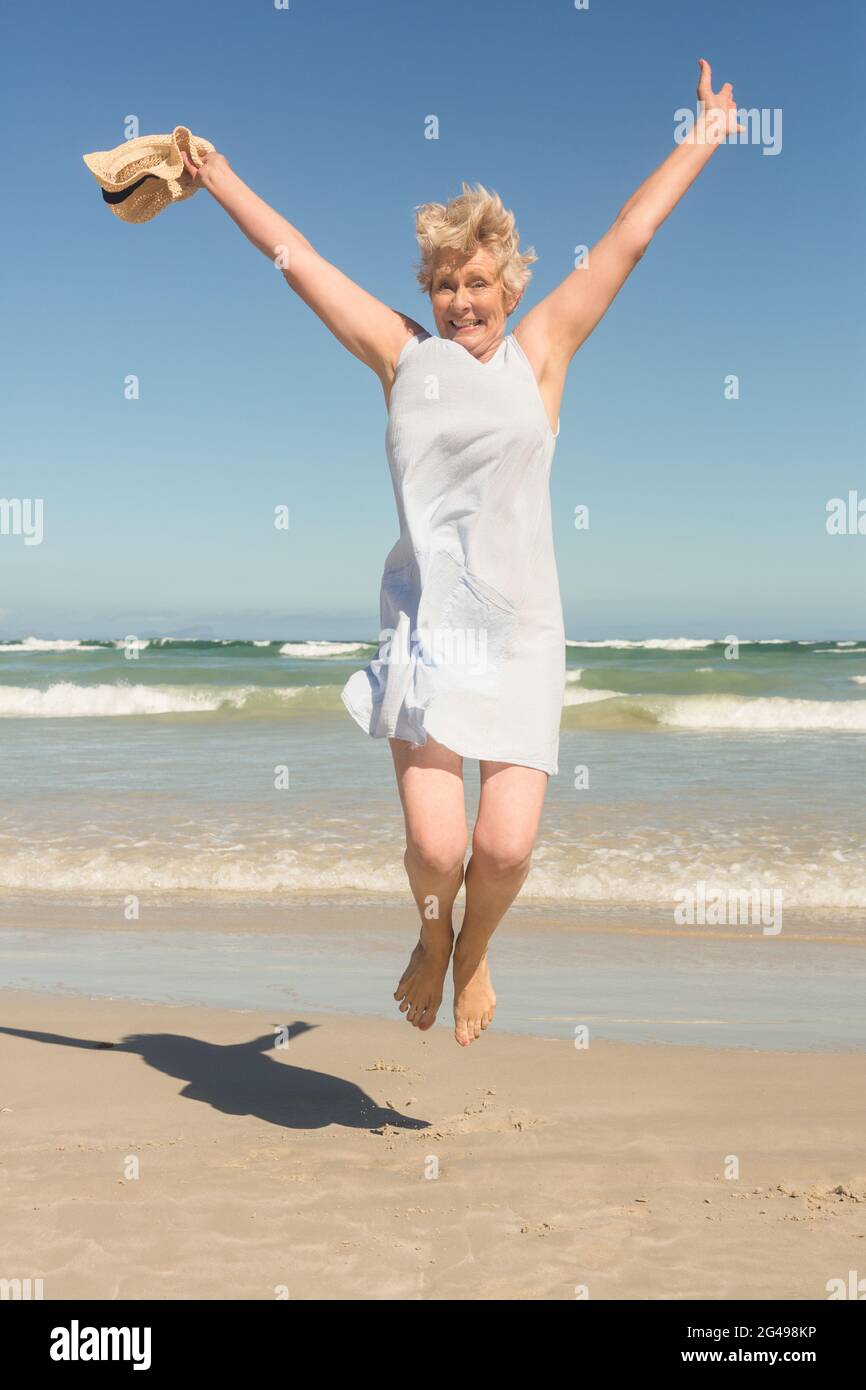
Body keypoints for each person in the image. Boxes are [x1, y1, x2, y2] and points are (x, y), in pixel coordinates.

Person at [181, 58, 741, 1046]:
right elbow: (298, 259)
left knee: (506, 846)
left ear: (508, 282)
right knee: (436, 849)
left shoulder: (541, 354)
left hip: (520, 631)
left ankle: (473, 949)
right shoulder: (400, 358)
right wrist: (216, 174)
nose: (459, 300)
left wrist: (703, 133)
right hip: (425, 627)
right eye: (443, 284)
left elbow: (629, 240)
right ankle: (434, 933)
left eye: (476, 281)